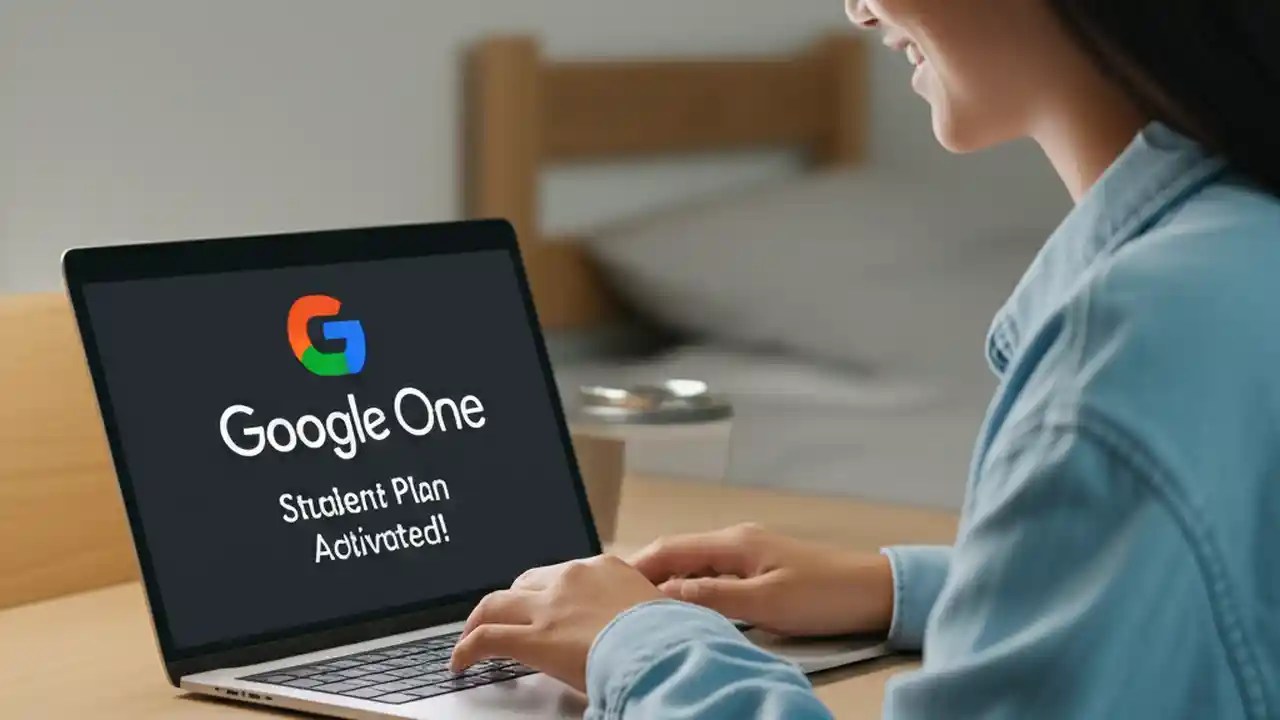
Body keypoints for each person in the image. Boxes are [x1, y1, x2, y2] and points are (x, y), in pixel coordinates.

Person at [450, 0, 1280, 716]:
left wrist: (640, 644)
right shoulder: (1242, 243)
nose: (855, 8)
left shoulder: (1124, 352)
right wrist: (904, 587)